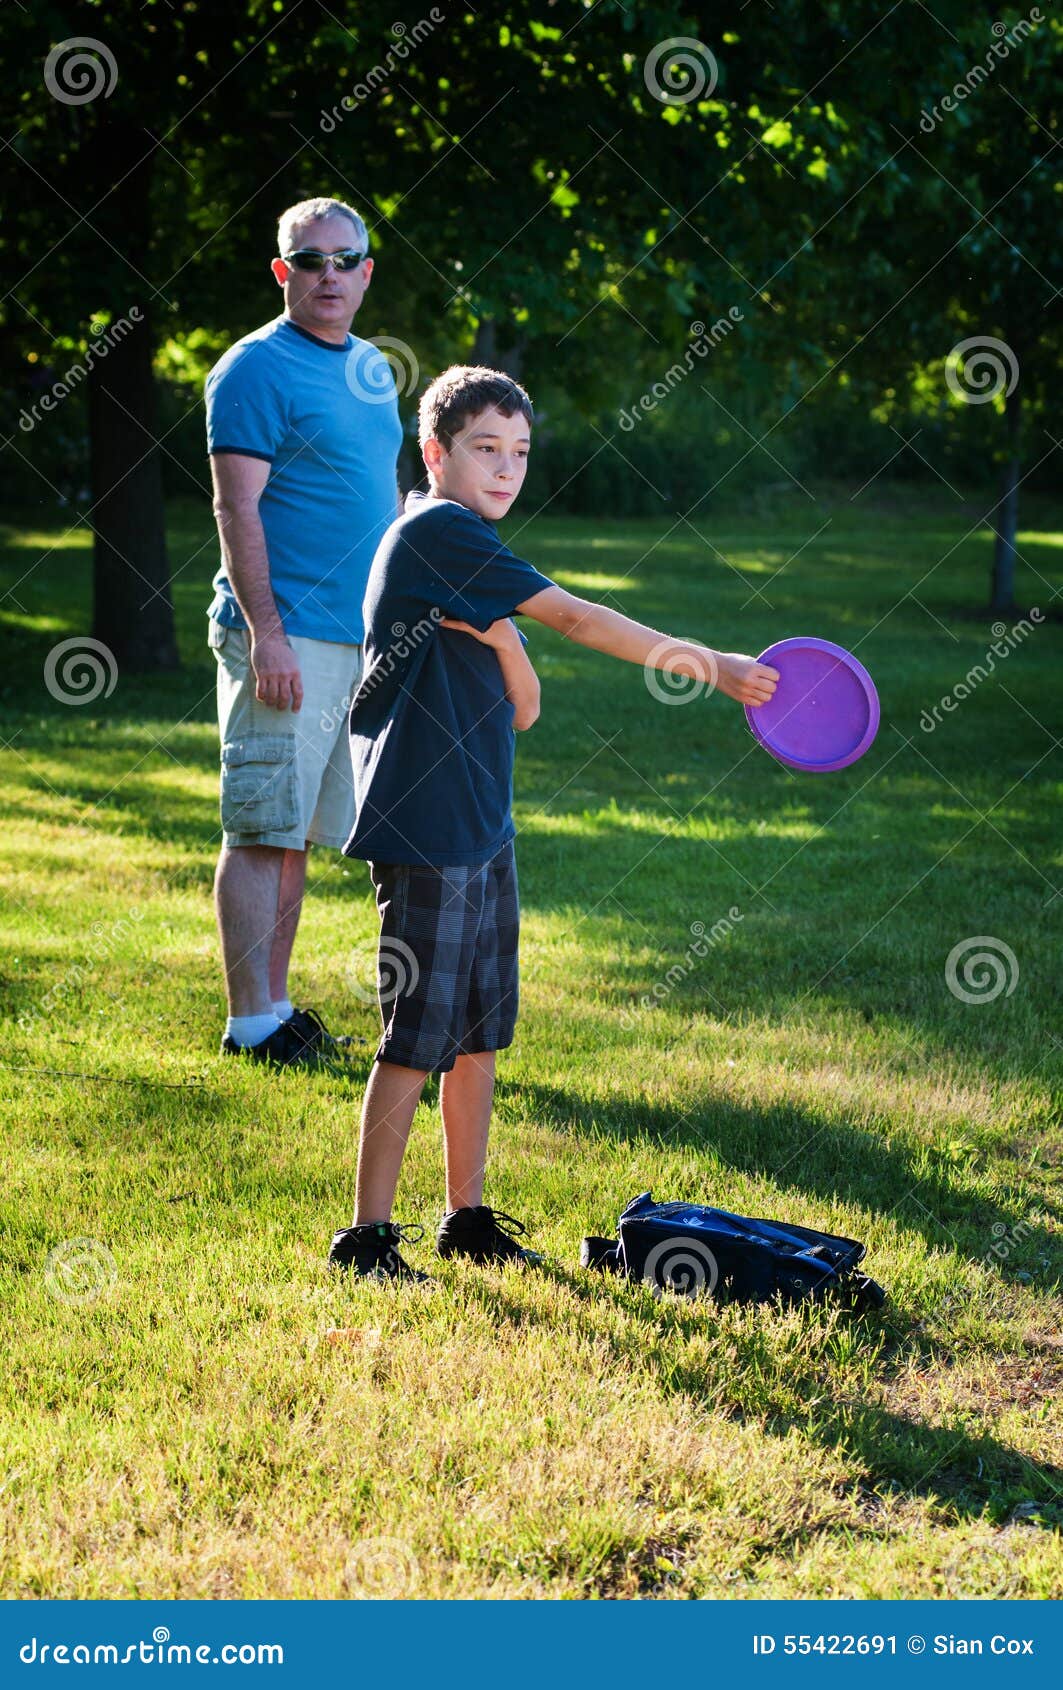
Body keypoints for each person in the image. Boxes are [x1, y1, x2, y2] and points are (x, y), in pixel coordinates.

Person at [328, 365, 779, 1280]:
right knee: (415, 1038)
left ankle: (466, 1215)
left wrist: (498, 637)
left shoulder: (471, 559)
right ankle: (366, 1238)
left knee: (481, 1033)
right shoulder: (439, 533)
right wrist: (715, 666)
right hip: (428, 828)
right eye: (483, 449)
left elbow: (524, 707)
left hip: (482, 823)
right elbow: (577, 617)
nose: (504, 468)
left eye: (519, 452)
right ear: (435, 454)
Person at [205, 196, 402, 1066]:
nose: (328, 274)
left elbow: (382, 500)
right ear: (283, 272)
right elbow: (234, 507)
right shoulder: (252, 368)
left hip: (355, 640)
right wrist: (267, 635)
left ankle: (278, 1012)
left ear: (365, 270)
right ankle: (250, 1025)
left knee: (300, 835)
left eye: (343, 259)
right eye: (308, 260)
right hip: (283, 634)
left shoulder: (371, 369)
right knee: (259, 829)